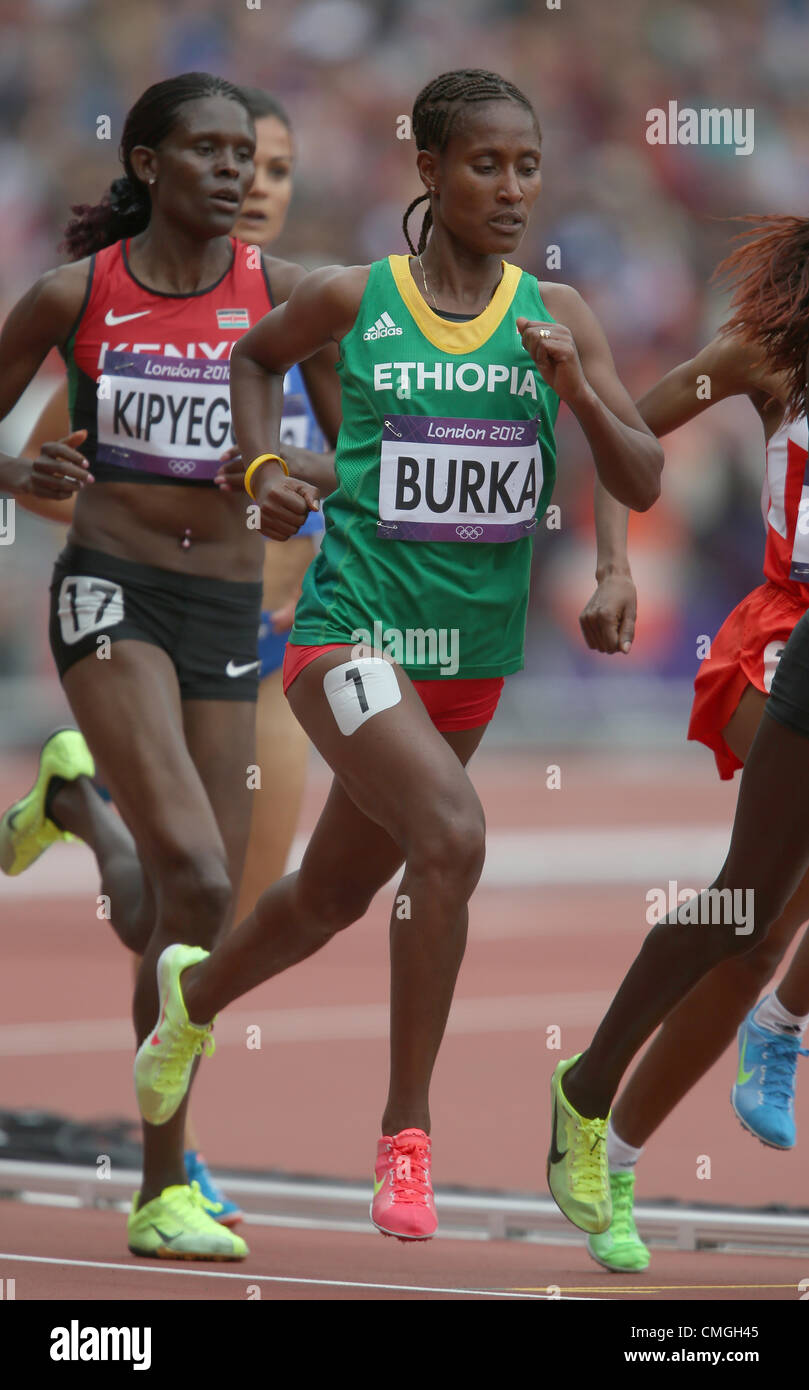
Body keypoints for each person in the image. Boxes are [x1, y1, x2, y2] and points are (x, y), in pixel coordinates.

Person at [129, 67, 662, 1243]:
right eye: (485, 164)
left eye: (526, 166)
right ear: (427, 171)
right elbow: (255, 357)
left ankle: (192, 997)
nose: (512, 188)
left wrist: (580, 415)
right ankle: (405, 1139)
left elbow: (641, 471)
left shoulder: (557, 317)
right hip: (349, 636)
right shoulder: (352, 297)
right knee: (453, 836)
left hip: (468, 657)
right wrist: (267, 470)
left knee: (329, 894)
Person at [0, 71, 340, 1259]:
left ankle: (75, 806)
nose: (234, 173)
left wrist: (307, 484)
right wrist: (17, 478)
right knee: (195, 870)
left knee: (191, 903)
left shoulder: (288, 297)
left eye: (245, 155)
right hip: (112, 588)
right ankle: (160, 1185)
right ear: (147, 164)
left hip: (227, 614)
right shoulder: (70, 296)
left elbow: (358, 452)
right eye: (206, 151)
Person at [545, 233, 809, 1239]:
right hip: (778, 640)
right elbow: (626, 441)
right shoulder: (766, 352)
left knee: (749, 932)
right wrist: (614, 564)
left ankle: (612, 1153)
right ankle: (770, 1026)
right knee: (750, 912)